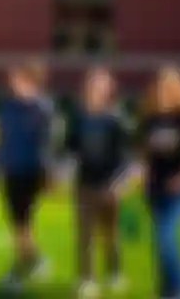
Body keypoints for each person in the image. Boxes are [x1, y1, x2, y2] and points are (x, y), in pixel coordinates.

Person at [64, 67, 135, 298]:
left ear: (108, 89)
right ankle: (87, 279)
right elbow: (70, 148)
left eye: (100, 85)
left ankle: (114, 273)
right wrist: (62, 168)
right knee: (84, 234)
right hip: (84, 184)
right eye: (92, 85)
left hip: (109, 185)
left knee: (110, 233)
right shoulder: (79, 117)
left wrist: (119, 182)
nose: (95, 90)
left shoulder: (116, 119)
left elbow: (127, 156)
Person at [138, 66, 180, 299]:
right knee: (159, 240)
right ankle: (166, 291)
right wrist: (142, 175)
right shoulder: (149, 120)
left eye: (167, 88)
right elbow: (145, 154)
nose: (161, 92)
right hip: (155, 188)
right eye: (158, 88)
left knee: (166, 236)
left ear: (177, 90)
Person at [0, 59, 58, 292]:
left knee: (22, 222)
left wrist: (49, 174)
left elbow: (48, 144)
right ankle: (36, 261)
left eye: (17, 78)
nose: (12, 83)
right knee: (19, 224)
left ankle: (18, 273)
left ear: (31, 80)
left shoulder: (43, 108)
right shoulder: (8, 107)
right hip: (11, 169)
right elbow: (2, 138)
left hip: (32, 172)